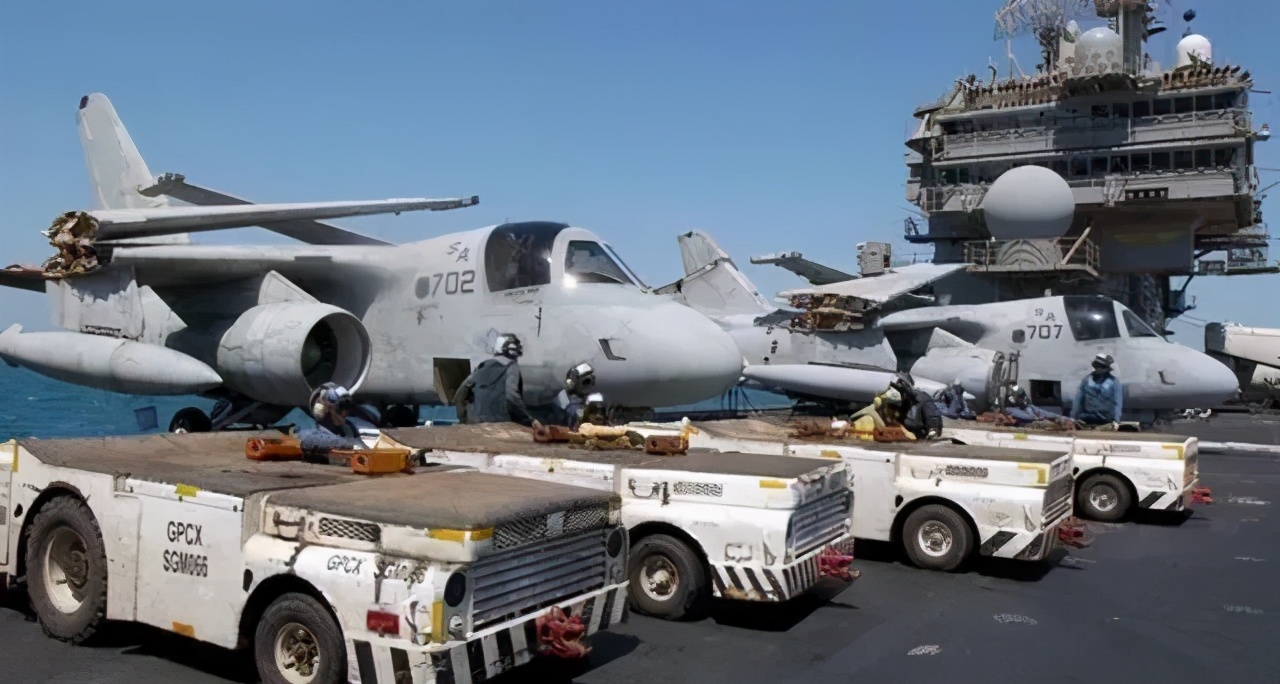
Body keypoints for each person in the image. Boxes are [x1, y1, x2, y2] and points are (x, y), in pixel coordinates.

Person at [454, 333, 540, 427]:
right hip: (501, 424)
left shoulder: (482, 366)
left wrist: (462, 418)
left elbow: (460, 394)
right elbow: (511, 396)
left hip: (476, 422)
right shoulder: (512, 367)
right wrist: (528, 420)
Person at [1071, 353, 1124, 427]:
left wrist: (1116, 420)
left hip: (1106, 420)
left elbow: (1118, 402)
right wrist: (1073, 418)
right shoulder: (1086, 380)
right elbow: (1078, 400)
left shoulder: (1114, 382)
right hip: (1086, 419)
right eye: (1097, 365)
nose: (1099, 368)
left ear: (1106, 368)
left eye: (1102, 366)